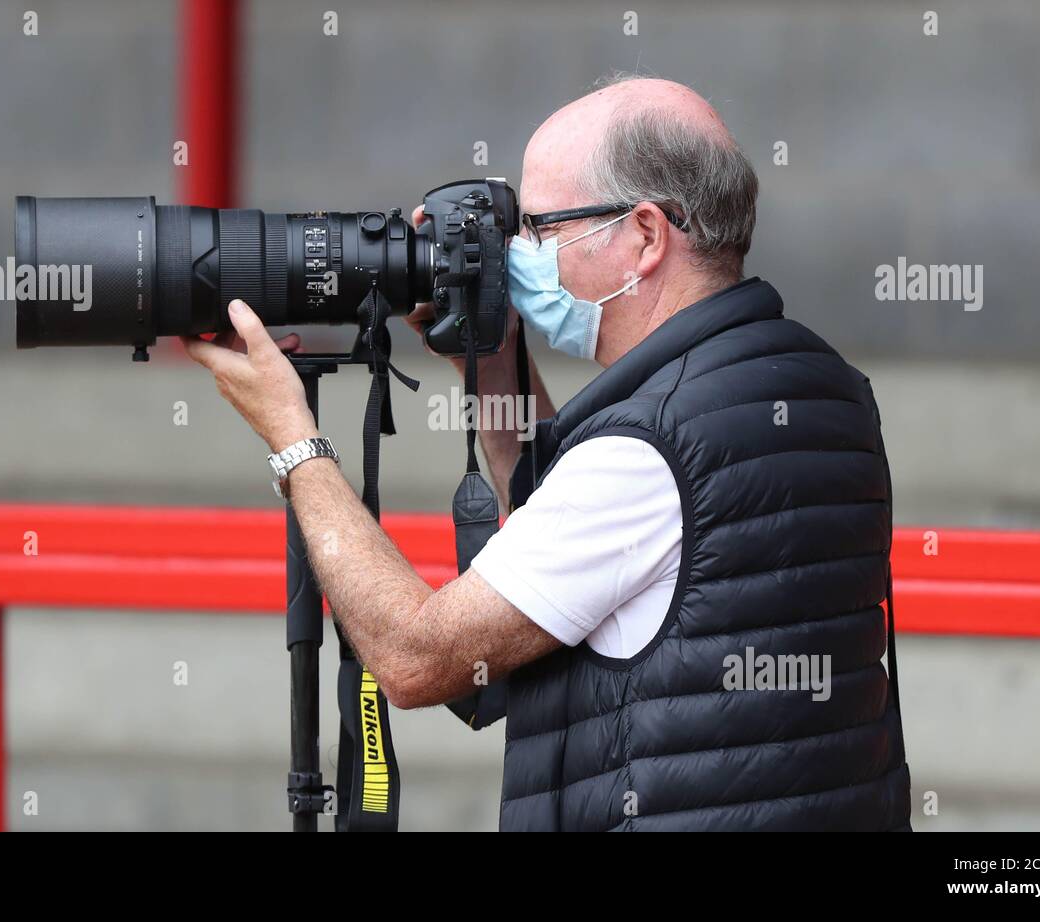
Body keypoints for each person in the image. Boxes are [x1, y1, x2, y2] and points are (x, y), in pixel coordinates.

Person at [184, 74, 911, 831]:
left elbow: (411, 656)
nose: (517, 253)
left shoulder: (644, 452)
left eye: (538, 227)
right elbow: (602, 550)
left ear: (645, 236)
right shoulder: (819, 387)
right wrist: (490, 363)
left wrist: (293, 440)